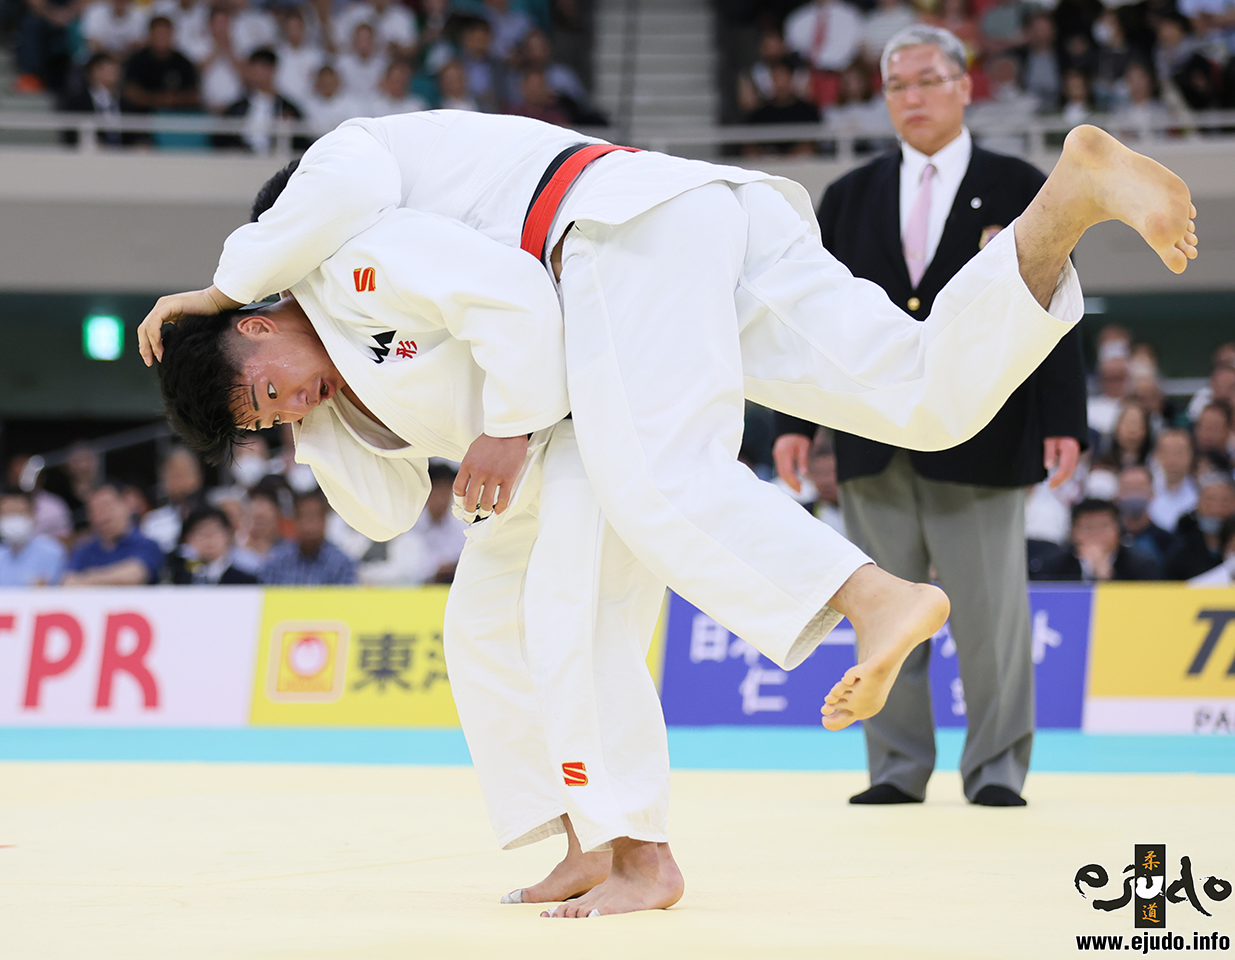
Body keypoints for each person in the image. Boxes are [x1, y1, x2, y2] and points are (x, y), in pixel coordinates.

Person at [140, 103, 1196, 917]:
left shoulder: (348, 252)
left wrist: (212, 292)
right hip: (680, 229)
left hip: (608, 240)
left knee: (647, 488)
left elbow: (507, 302)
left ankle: (850, 613)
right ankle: (1061, 209)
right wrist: (303, 414)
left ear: (261, 307)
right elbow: (375, 512)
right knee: (916, 394)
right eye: (261, 418)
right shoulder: (331, 354)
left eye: (264, 382)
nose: (280, 407)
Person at [771, 25, 1087, 809]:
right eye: (896, 85)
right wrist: (787, 424)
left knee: (991, 617)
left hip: (986, 427)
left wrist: (1064, 417)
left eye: (927, 79)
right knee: (886, 612)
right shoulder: (848, 196)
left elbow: (1052, 301)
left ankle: (997, 770)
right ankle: (896, 767)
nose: (911, 96)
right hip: (871, 435)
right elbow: (804, 319)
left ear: (964, 86)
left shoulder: (1019, 186)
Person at [1033, 498, 1161, 581]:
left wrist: (1106, 577)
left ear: (1118, 530)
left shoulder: (1141, 565)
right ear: (1073, 532)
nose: (1096, 534)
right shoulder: (1054, 565)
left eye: (1103, 527)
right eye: (1088, 528)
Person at [64, 481, 164, 585]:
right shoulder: (83, 550)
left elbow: (133, 576)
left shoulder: (147, 545)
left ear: (126, 504)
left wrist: (87, 578)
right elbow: (68, 582)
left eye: (107, 506)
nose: (103, 515)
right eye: (95, 509)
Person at [258, 489, 356, 584]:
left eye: (315, 517)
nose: (310, 525)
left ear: (325, 520)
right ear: (294, 520)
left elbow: (346, 598)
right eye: (305, 517)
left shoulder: (342, 563)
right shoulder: (276, 561)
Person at [0, 490, 68, 587]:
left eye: (18, 513)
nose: (12, 519)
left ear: (32, 515)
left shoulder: (53, 552)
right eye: (6, 514)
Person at [168, 506, 260, 584]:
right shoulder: (174, 575)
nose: (209, 540)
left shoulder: (244, 580)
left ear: (228, 536)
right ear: (188, 539)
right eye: (202, 533)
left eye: (215, 532)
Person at [141, 445, 206, 552]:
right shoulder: (152, 522)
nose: (180, 479)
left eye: (185, 472)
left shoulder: (219, 505)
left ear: (199, 476)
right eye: (174, 474)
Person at [1116, 464, 1176, 569]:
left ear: (1152, 493)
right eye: (1128, 488)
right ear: (1118, 493)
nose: (1134, 494)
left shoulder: (1167, 541)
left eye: (1139, 488)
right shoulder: (1110, 538)